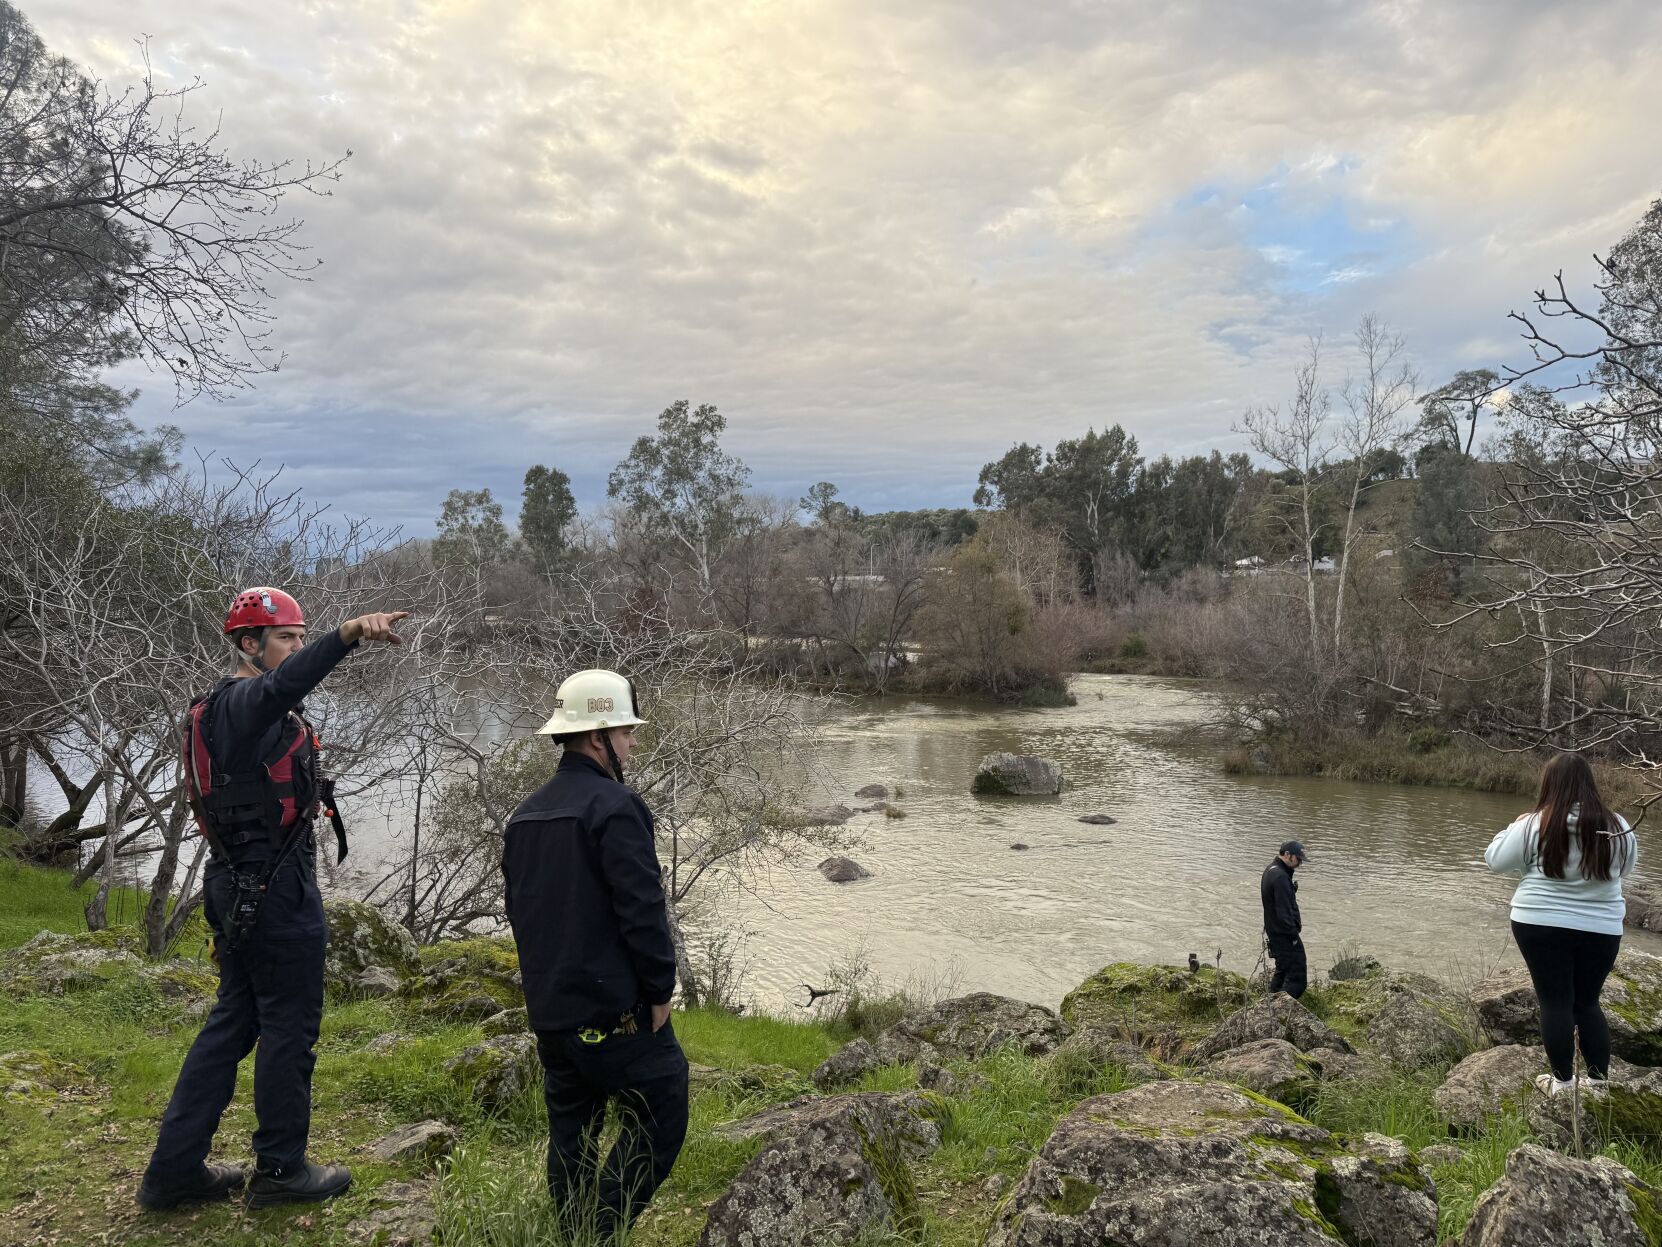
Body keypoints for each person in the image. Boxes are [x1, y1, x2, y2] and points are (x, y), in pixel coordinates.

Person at [137, 588, 409, 1211]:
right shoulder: (241, 704)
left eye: (300, 637)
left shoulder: (229, 711)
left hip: (237, 885)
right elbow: (282, 687)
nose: (294, 647)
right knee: (289, 1026)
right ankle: (282, 1170)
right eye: (285, 638)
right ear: (248, 645)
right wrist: (344, 636)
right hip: (273, 892)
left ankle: (173, 1172)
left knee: (235, 1020)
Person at [501, 669, 689, 1237]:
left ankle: (576, 1234)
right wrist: (658, 990)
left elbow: (522, 915)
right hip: (616, 1015)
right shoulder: (617, 807)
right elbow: (642, 910)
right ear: (596, 735)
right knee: (663, 1106)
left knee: (573, 1133)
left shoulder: (524, 816)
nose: (632, 743)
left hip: (552, 1014)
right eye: (626, 732)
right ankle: (602, 1231)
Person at [1486, 752, 1636, 1096]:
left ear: (1549, 784)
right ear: (1590, 783)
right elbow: (1624, 869)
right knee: (1588, 1002)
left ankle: (1562, 1085)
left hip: (1539, 922)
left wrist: (1514, 825)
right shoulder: (1618, 826)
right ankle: (1598, 1085)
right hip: (1601, 926)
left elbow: (1495, 861)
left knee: (1555, 1002)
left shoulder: (1534, 823)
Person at [1261, 840, 1309, 998]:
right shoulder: (1280, 877)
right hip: (1285, 936)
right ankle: (1280, 1010)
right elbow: (1284, 911)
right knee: (1297, 980)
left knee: (1282, 972)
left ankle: (1268, 1005)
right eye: (1298, 859)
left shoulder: (1271, 870)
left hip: (1275, 933)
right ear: (1287, 854)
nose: (1300, 863)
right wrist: (1293, 936)